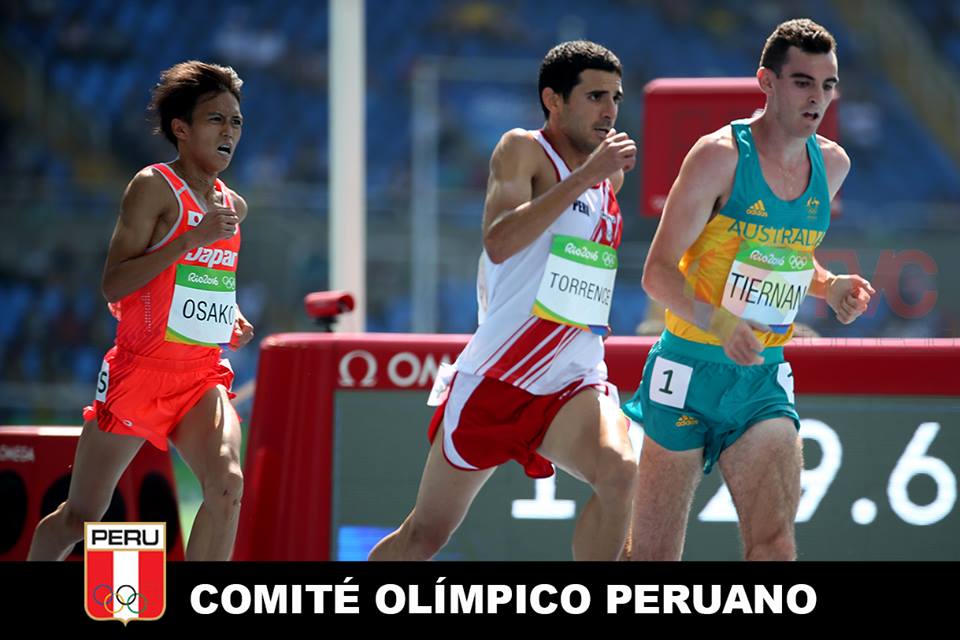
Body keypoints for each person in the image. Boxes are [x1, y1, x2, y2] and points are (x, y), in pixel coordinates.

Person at [369, 41, 638, 561]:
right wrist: (584, 176)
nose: (609, 111)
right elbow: (499, 239)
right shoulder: (523, 149)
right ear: (553, 100)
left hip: (573, 377)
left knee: (621, 473)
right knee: (424, 535)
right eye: (596, 96)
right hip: (499, 376)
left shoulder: (612, 176)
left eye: (617, 98)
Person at [625, 18, 874, 561]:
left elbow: (785, 252)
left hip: (762, 378)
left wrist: (829, 286)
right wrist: (721, 323)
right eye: (803, 82)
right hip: (687, 373)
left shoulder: (833, 165)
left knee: (776, 548)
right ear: (767, 81)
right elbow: (658, 272)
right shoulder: (718, 157)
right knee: (651, 559)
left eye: (828, 85)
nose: (819, 99)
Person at [28, 61, 254, 561]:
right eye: (216, 119)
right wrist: (191, 237)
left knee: (227, 485)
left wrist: (227, 315)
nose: (229, 131)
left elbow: (206, 281)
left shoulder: (233, 207)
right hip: (138, 375)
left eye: (236, 121)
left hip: (200, 376)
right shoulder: (152, 186)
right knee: (81, 516)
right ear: (182, 129)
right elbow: (114, 282)